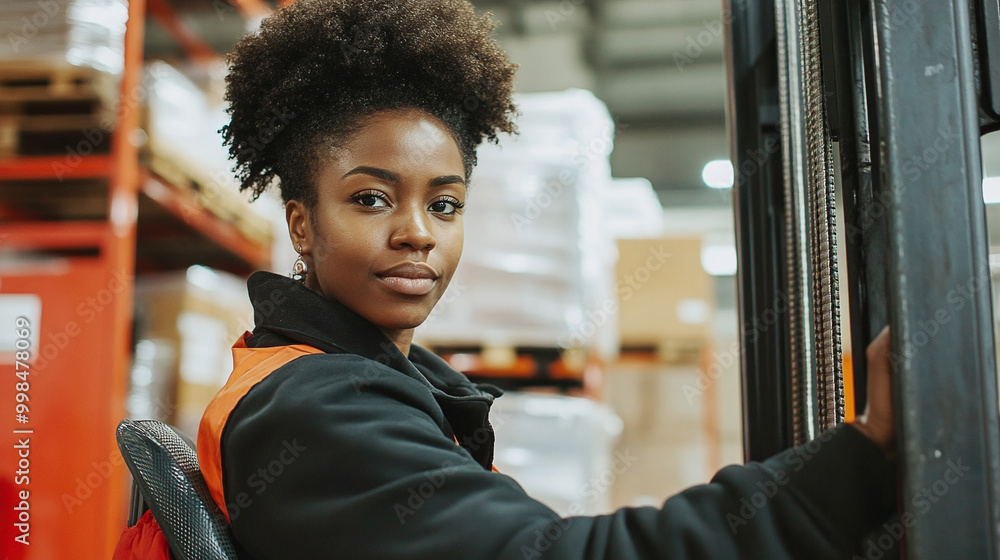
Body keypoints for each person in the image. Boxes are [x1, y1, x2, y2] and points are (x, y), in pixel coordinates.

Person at [196, 0, 898, 558]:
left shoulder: (352, 384)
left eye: (444, 204)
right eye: (371, 198)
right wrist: (857, 465)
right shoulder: (316, 410)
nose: (417, 231)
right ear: (300, 225)